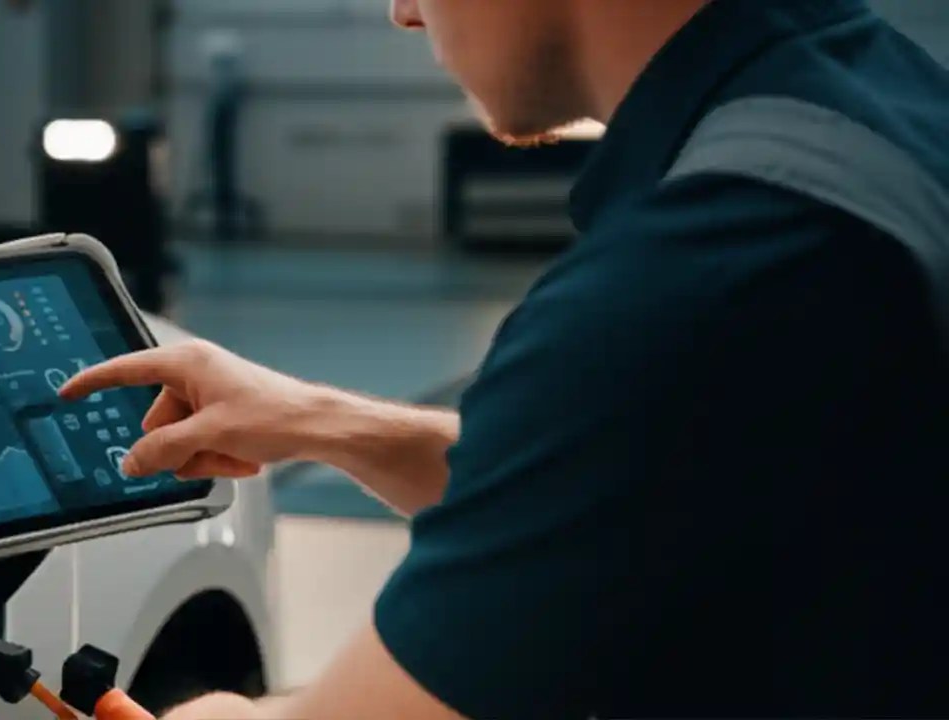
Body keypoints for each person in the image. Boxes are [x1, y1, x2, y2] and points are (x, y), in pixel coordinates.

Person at [62, 0, 949, 717]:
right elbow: (646, 482)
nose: (405, 12)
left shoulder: (703, 273)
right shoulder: (884, 110)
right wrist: (323, 424)